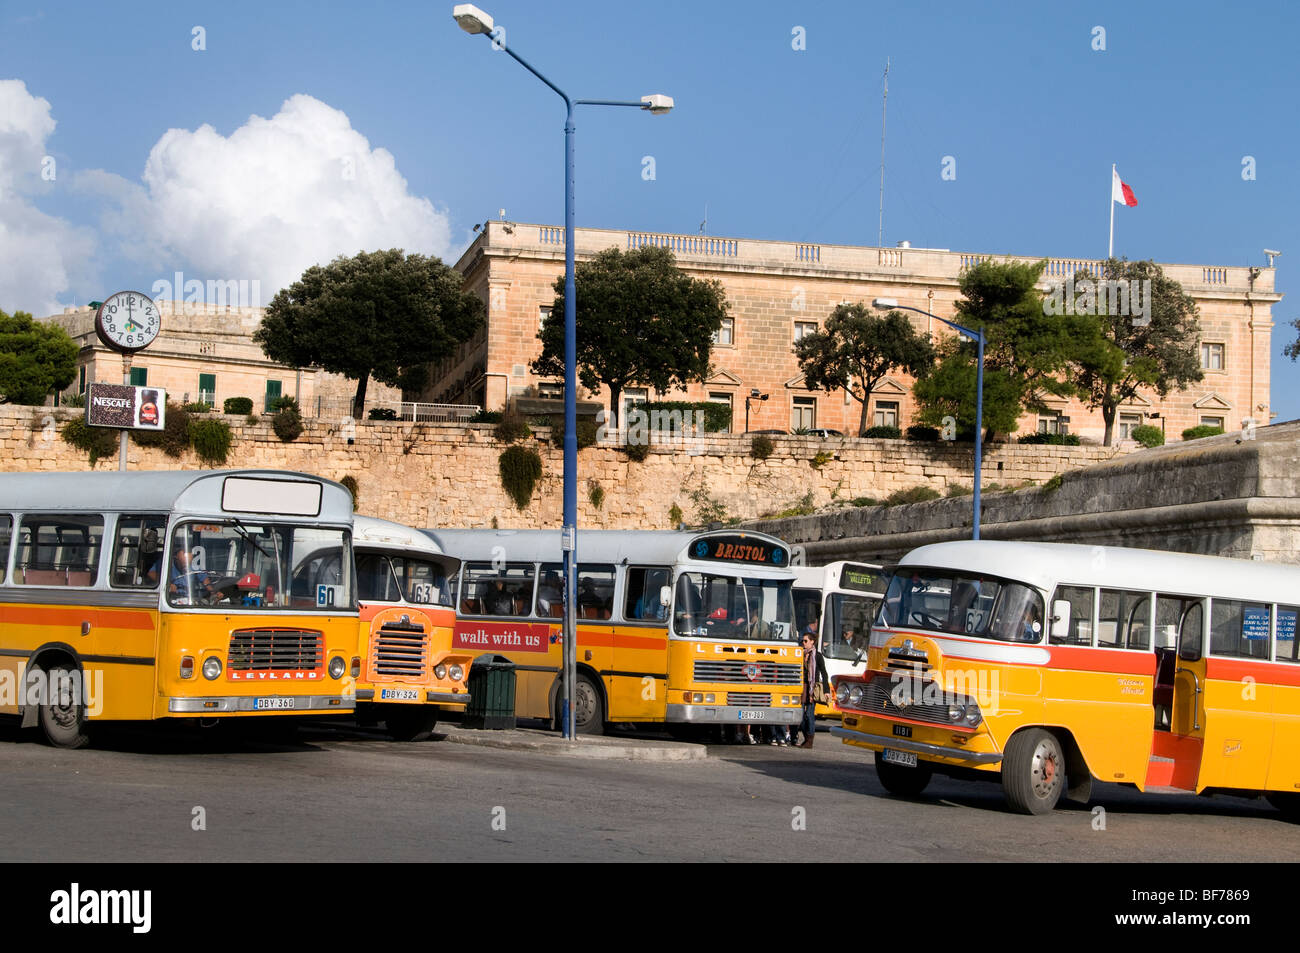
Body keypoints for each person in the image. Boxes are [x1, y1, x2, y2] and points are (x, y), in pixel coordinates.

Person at [795, 622, 829, 748]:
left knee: (809, 715)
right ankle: (806, 737)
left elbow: (824, 674)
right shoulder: (800, 655)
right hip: (801, 687)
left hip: (811, 688)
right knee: (800, 715)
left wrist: (826, 690)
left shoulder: (817, 656)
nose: (803, 643)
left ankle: (809, 740)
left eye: (805, 641)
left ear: (812, 642)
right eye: (802, 641)